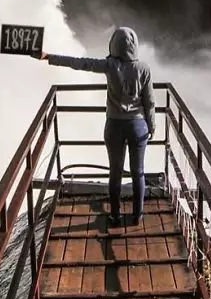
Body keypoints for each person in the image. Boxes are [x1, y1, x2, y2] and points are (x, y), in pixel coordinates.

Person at [37, 27, 155, 227]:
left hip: (114, 125)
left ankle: (115, 216)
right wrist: (151, 127)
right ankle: (137, 216)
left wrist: (48, 56)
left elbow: (79, 63)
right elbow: (149, 102)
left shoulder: (109, 65)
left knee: (115, 172)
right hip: (137, 125)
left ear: (114, 44)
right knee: (139, 172)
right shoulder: (144, 69)